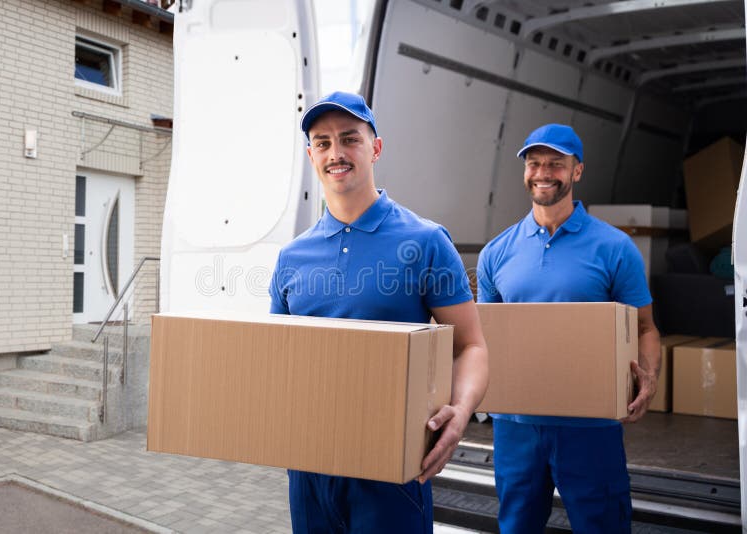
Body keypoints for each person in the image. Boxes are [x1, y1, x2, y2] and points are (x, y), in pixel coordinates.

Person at [269, 91, 489, 533]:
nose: (336, 153)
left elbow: (471, 346)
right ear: (311, 154)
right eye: (323, 142)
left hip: (392, 468)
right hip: (309, 468)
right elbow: (278, 359)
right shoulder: (292, 257)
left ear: (376, 148)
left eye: (350, 138)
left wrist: (461, 412)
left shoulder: (426, 242)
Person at [476, 123, 661, 533]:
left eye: (556, 164)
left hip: (590, 426)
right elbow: (483, 340)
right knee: (516, 526)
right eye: (534, 163)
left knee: (603, 526)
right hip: (516, 426)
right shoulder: (496, 253)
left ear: (577, 171)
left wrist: (648, 378)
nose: (543, 172)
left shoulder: (613, 248)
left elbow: (645, 327)